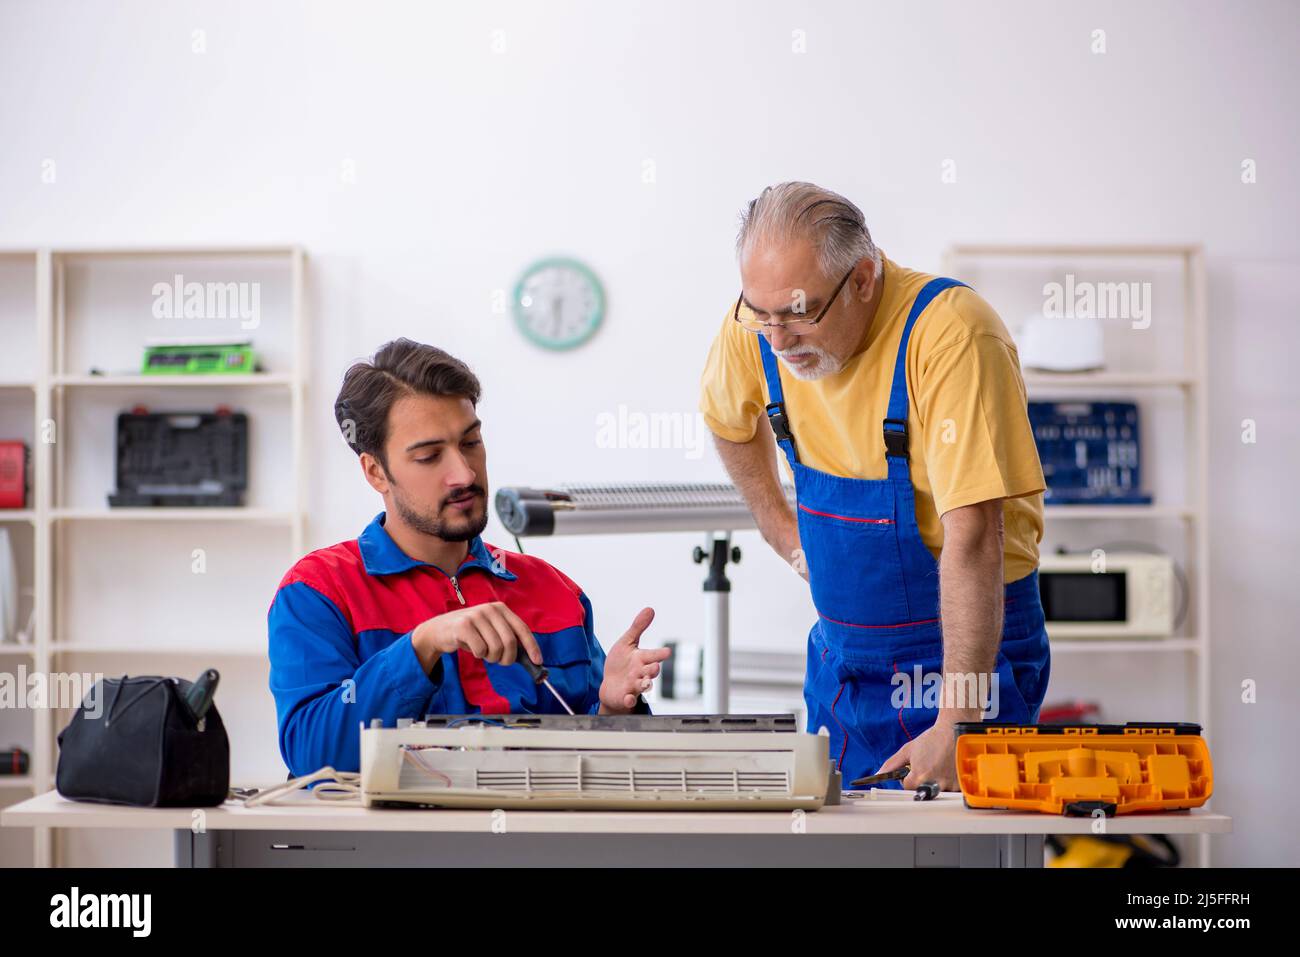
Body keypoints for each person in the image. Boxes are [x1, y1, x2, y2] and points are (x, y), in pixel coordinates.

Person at [699, 182, 1051, 790]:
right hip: (844, 658)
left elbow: (973, 534)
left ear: (862, 279)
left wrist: (959, 720)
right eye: (762, 315)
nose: (778, 341)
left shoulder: (951, 335)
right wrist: (782, 533)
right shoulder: (759, 324)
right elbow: (727, 420)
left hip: (966, 657)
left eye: (799, 314)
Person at [268, 338, 668, 776]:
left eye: (471, 442)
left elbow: (596, 768)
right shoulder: (318, 590)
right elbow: (311, 753)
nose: (464, 473)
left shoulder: (553, 590)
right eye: (429, 456)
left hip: (536, 844)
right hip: (394, 846)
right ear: (375, 471)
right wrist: (423, 645)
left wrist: (613, 708)